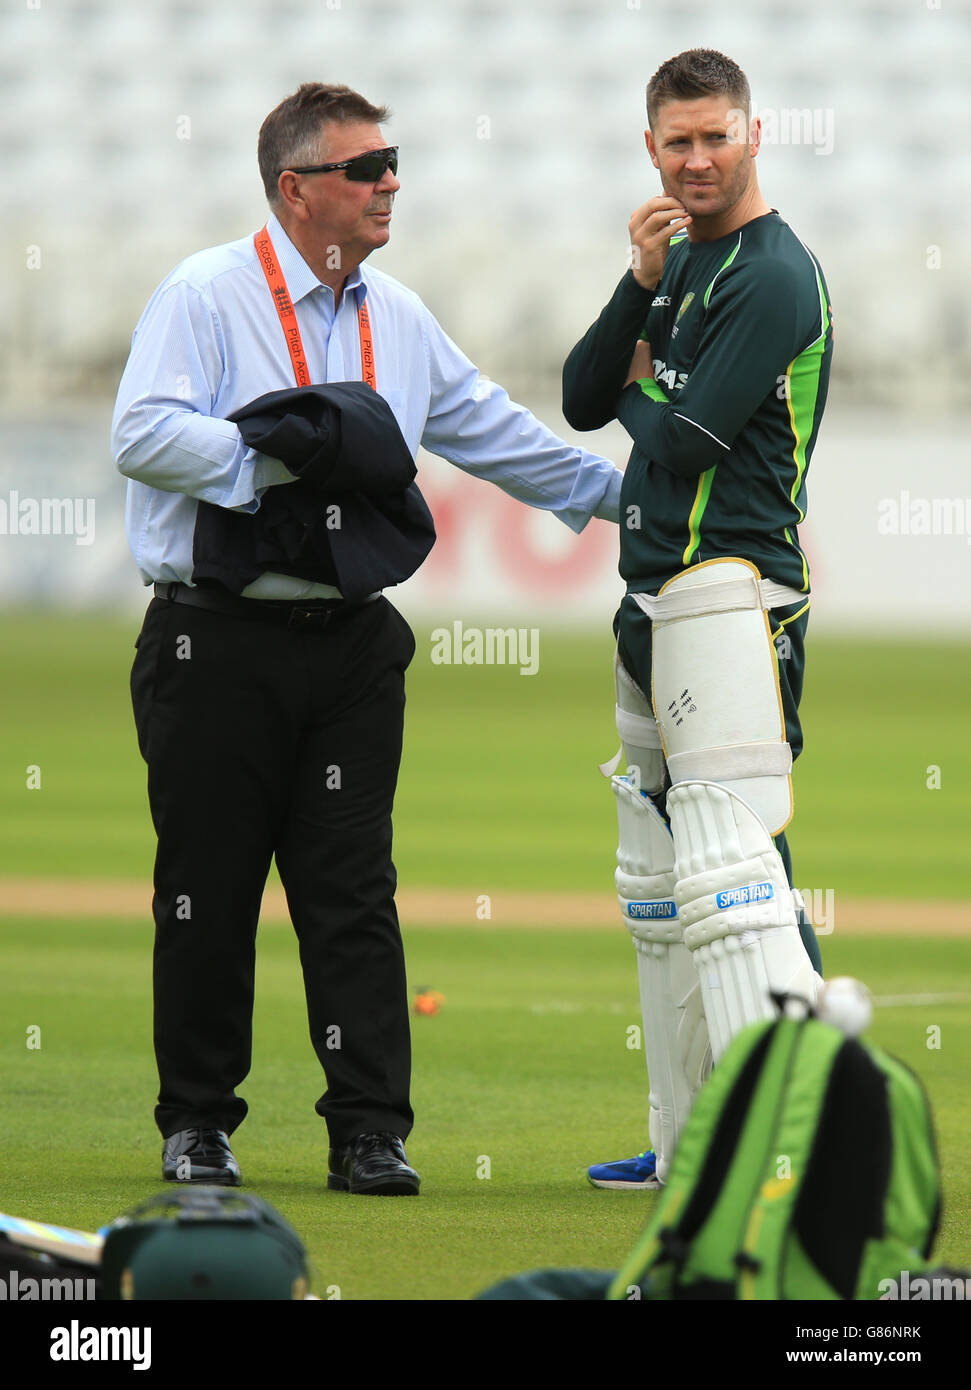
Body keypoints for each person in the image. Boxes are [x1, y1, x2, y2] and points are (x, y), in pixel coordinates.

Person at [112, 82, 622, 1197]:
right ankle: (197, 1123)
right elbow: (141, 433)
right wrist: (284, 460)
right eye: (366, 166)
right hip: (214, 643)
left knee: (352, 891)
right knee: (207, 886)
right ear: (297, 189)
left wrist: (627, 497)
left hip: (348, 645)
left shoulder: (396, 312)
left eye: (392, 162)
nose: (390, 181)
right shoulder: (204, 293)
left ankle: (368, 1129)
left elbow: (488, 427)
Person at [561, 49, 833, 1190]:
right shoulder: (680, 261)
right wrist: (635, 282)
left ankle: (815, 1132)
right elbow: (582, 398)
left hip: (736, 593)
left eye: (715, 136)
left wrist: (640, 389)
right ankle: (693, 1133)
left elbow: (679, 440)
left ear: (754, 133)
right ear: (649, 147)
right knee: (678, 883)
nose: (698, 158)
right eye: (677, 141)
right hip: (658, 597)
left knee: (741, 872)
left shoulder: (769, 274)